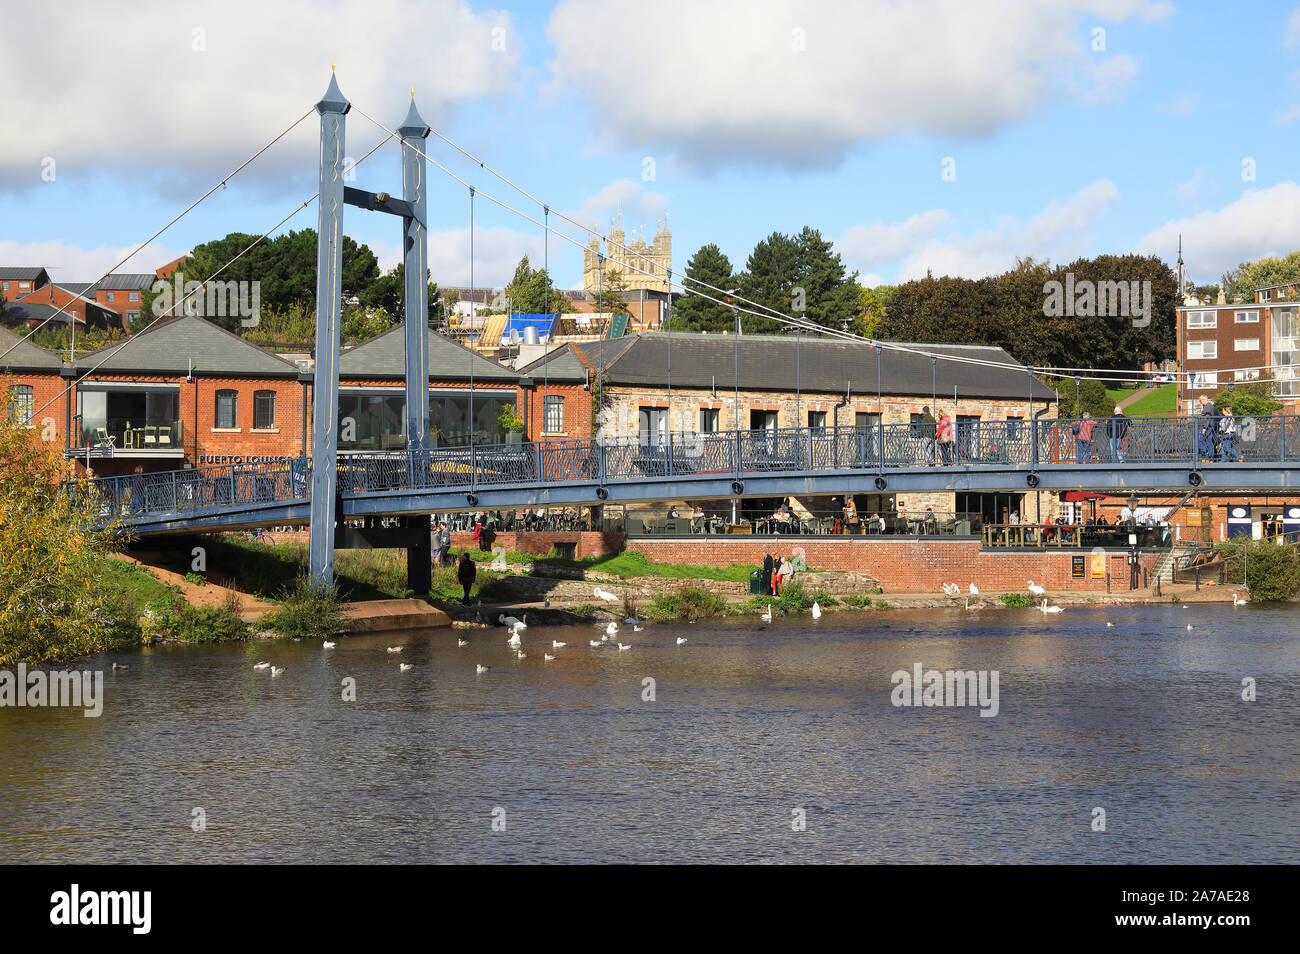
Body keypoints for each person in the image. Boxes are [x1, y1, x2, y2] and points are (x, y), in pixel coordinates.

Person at [1198, 395, 1220, 461]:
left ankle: (1205, 455)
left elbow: (1207, 418)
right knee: (1209, 440)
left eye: (1200, 400)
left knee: (1200, 439)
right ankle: (1211, 457)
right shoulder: (1210, 406)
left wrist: (1204, 428)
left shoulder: (1207, 407)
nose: (1200, 402)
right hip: (1210, 426)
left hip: (1207, 427)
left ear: (1204, 400)